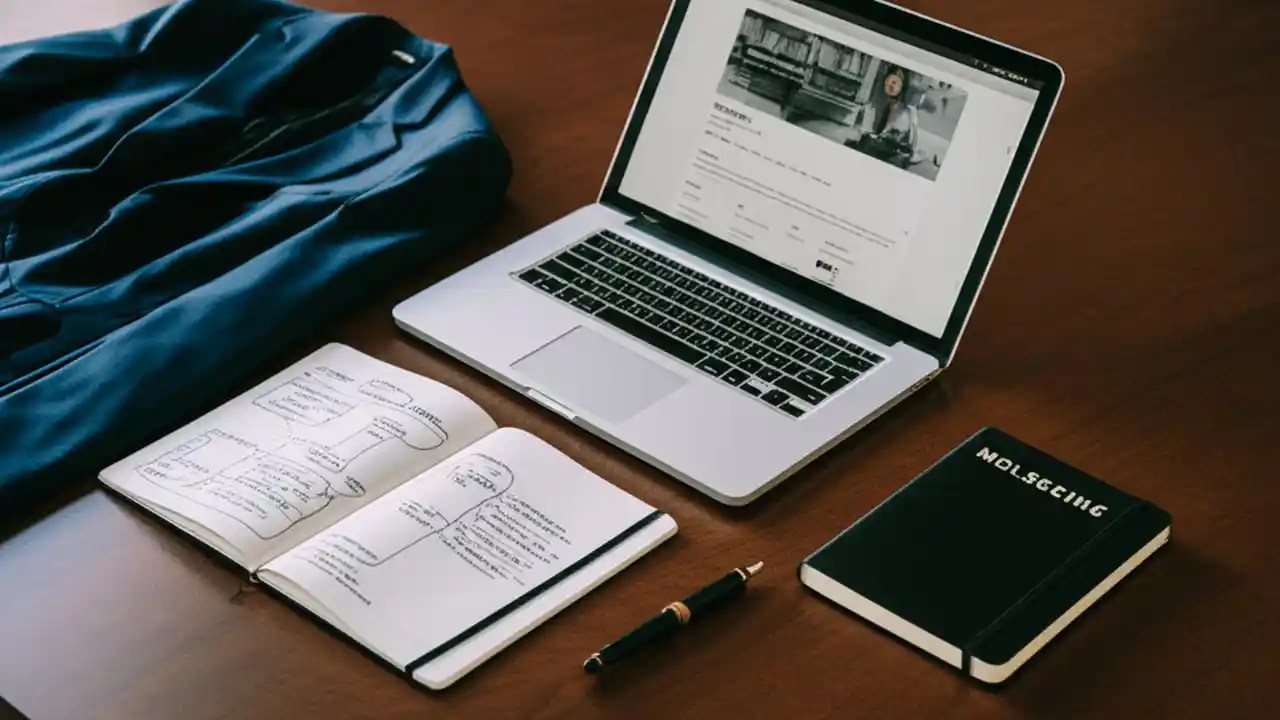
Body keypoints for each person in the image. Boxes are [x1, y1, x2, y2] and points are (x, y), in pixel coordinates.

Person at [850, 65, 919, 168]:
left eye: (896, 81)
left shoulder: (909, 113)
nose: (891, 84)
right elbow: (854, 136)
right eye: (889, 80)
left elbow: (910, 150)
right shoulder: (868, 107)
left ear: (903, 86)